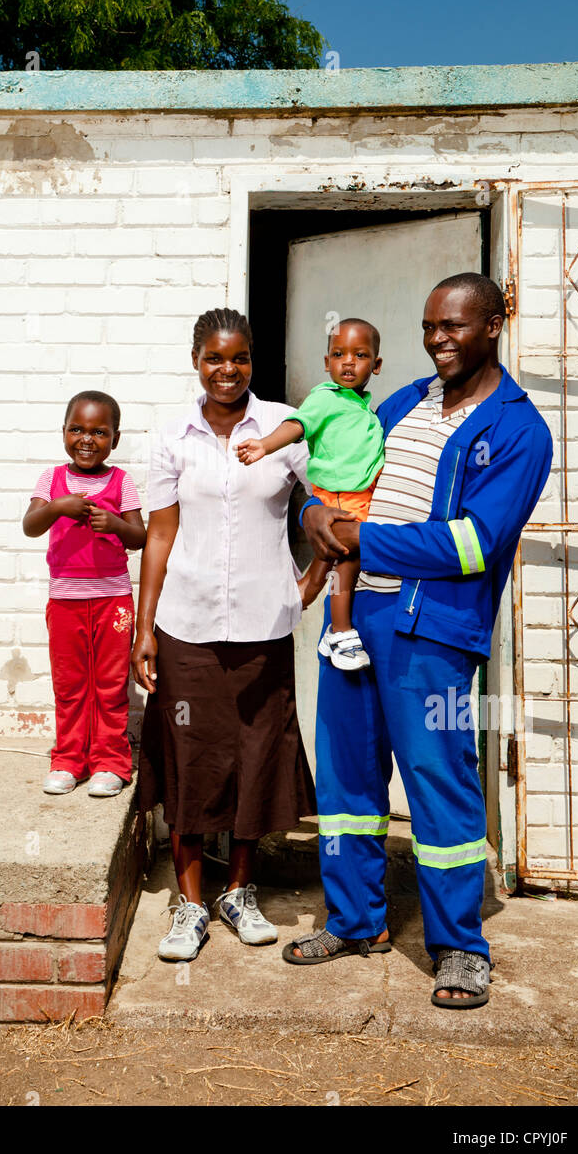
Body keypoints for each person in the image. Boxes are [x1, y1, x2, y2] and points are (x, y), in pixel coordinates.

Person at [284, 273, 552, 1010]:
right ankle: (356, 920)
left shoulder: (518, 428)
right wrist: (313, 510)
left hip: (431, 631)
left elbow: (474, 542)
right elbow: (340, 467)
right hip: (354, 623)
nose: (438, 339)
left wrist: (362, 537)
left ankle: (460, 946)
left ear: (494, 325)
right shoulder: (402, 401)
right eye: (430, 325)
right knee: (345, 780)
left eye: (455, 326)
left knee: (439, 783)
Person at [132, 307, 319, 963]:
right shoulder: (170, 438)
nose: (227, 370)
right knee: (190, 758)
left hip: (264, 626)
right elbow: (159, 534)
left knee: (253, 755)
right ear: (196, 360)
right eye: (214, 358)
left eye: (238, 358)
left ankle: (239, 889)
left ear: (251, 363)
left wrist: (307, 585)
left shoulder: (284, 426)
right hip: (186, 623)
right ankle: (189, 904)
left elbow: (327, 502)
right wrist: (144, 627)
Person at [235, 317, 384, 670]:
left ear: (375, 366)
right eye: (338, 353)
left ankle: (292, 600)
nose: (348, 361)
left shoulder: (360, 405)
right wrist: (264, 446)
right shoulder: (326, 397)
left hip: (355, 495)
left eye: (359, 354)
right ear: (326, 362)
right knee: (346, 560)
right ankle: (341, 633)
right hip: (339, 496)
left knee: (322, 569)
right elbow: (297, 425)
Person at [23, 390, 146, 798]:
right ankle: (68, 760)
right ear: (63, 433)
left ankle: (111, 762)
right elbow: (31, 525)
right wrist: (58, 506)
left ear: (115, 437)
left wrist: (112, 523)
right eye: (77, 429)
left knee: (110, 684)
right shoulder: (52, 480)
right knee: (70, 683)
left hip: (113, 601)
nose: (87, 439)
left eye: (99, 431)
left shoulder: (121, 482)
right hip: (65, 602)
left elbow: (140, 536)